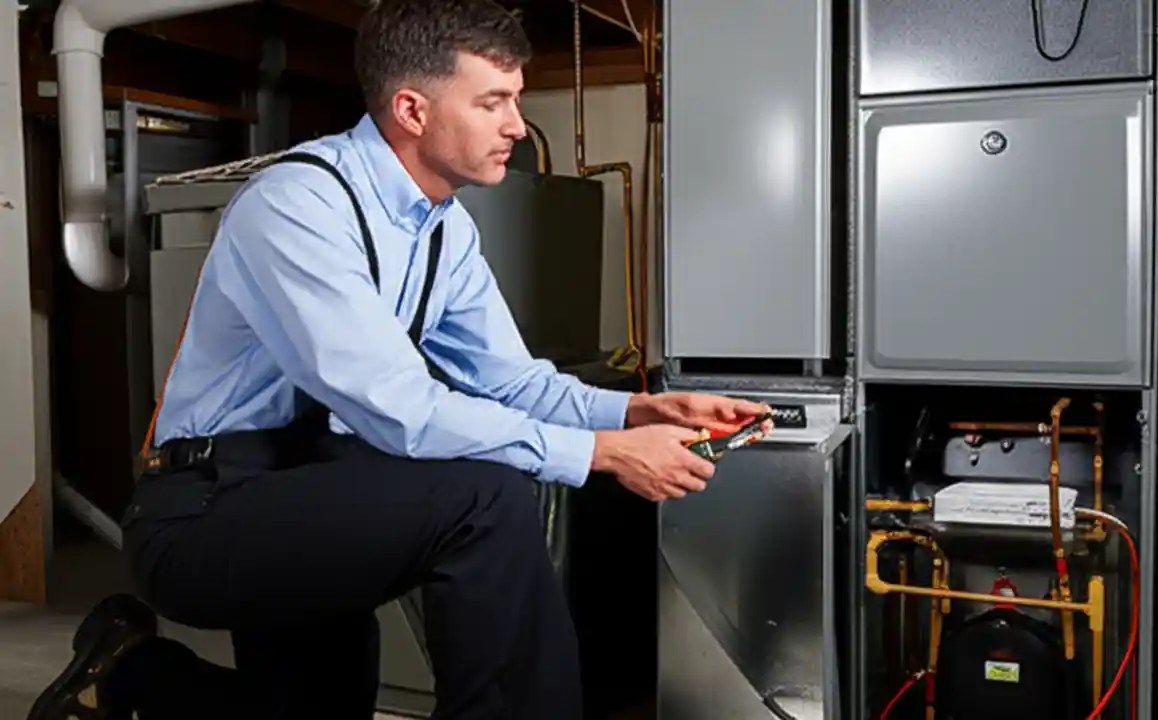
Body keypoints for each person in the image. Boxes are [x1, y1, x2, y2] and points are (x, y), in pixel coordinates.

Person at [28, 1, 770, 718]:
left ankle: (125, 671)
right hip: (206, 507)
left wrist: (639, 410)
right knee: (487, 497)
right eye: (493, 102)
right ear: (413, 110)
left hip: (316, 484)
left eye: (514, 99)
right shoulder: (298, 206)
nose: (517, 124)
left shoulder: (441, 228)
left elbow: (509, 380)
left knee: (312, 710)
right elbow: (400, 409)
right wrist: (602, 452)